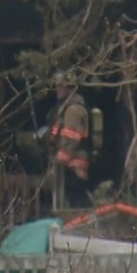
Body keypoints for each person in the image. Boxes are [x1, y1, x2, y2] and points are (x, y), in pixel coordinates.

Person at [48, 72, 91, 208]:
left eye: (61, 86)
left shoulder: (73, 110)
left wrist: (59, 161)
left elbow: (71, 139)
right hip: (69, 164)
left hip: (73, 166)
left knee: (75, 202)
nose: (57, 89)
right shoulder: (66, 109)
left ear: (70, 88)